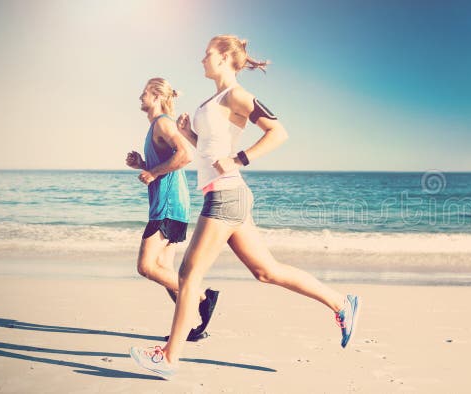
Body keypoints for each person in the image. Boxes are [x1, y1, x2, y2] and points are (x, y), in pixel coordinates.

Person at [129, 36, 360, 379]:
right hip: (225, 193)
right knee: (266, 270)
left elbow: (278, 132)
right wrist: (190, 135)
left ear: (223, 57)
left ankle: (169, 358)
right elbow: (209, 152)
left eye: (207, 54)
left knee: (189, 275)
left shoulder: (236, 95)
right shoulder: (212, 100)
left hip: (226, 195)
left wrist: (239, 158)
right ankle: (341, 303)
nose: (201, 59)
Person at [125, 77, 220, 342]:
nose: (140, 97)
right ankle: (188, 327)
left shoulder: (163, 123)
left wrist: (153, 172)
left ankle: (202, 297)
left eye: (144, 92)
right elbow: (169, 159)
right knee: (166, 269)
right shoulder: (156, 126)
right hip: (172, 203)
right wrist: (143, 164)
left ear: (156, 96)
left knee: (146, 266)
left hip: (168, 205)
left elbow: (185, 155)